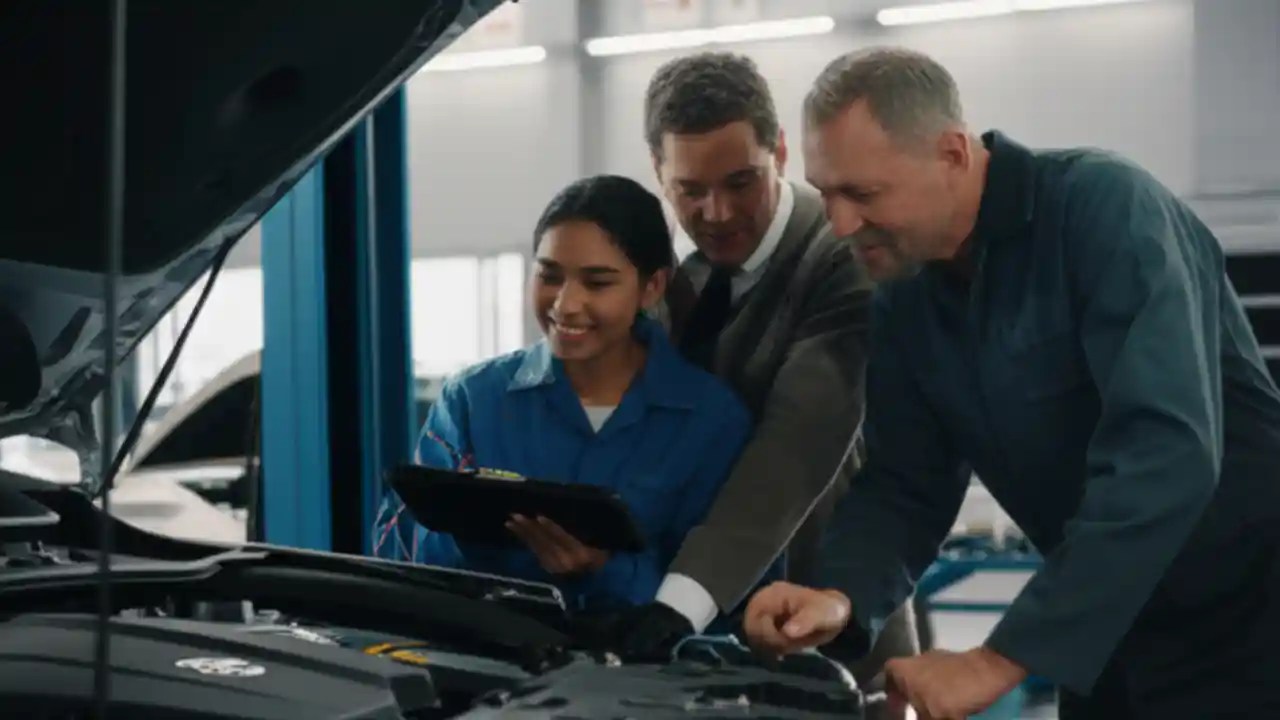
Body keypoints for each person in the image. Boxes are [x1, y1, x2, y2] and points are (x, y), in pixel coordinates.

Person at [742, 46, 1280, 719]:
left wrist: (997, 659)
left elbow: (1166, 455)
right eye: (827, 194)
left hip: (1251, 621)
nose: (841, 224)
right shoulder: (904, 290)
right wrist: (841, 597)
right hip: (1106, 633)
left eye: (864, 193)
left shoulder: (1105, 212)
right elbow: (906, 483)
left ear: (953, 154)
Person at [604, 50, 921, 687]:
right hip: (689, 641)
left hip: (827, 627)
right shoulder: (664, 277)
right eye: (690, 190)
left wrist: (679, 605)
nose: (716, 213)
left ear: (779, 152)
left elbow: (796, 447)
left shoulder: (846, 259)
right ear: (658, 172)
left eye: (740, 182)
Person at [372, 175, 753, 614]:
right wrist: (468, 527)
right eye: (549, 276)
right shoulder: (472, 401)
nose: (566, 304)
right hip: (485, 662)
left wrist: (605, 570)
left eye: (597, 283)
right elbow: (393, 551)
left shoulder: (711, 421)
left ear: (652, 287)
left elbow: (734, 593)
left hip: (643, 675)